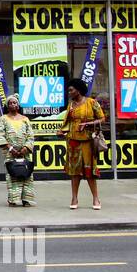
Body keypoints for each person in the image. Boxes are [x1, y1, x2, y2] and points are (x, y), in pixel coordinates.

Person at [59, 78, 104, 210]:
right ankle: (74, 197)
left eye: (71, 90)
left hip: (88, 141)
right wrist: (62, 131)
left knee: (89, 171)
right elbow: (67, 122)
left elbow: (102, 118)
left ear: (78, 90)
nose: (69, 92)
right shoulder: (71, 105)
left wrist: (88, 124)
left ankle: (96, 198)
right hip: (73, 141)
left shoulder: (91, 102)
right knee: (74, 172)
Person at [0, 94, 35, 207]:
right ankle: (12, 199)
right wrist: (11, 148)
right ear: (7, 106)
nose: (13, 105)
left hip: (25, 153)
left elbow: (31, 136)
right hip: (10, 153)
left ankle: (26, 199)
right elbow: (0, 135)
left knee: (26, 174)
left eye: (15, 103)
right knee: (12, 175)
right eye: (10, 103)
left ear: (18, 105)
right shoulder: (3, 119)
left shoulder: (25, 119)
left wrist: (25, 148)